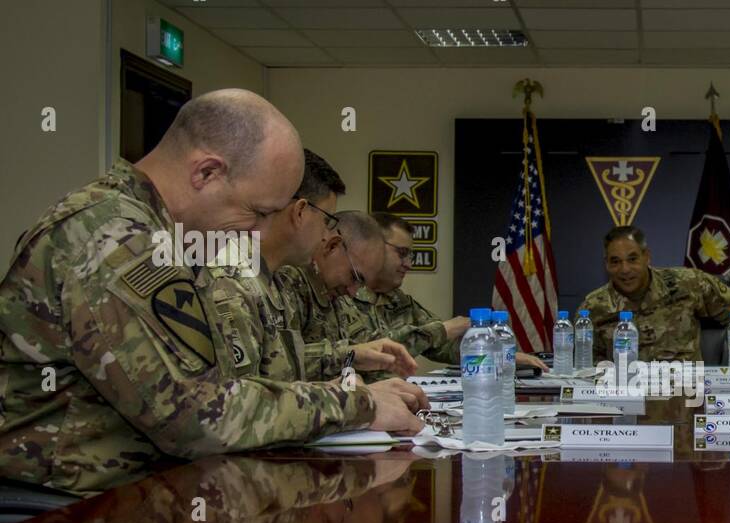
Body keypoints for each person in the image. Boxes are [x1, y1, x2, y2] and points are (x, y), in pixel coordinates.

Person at [0, 89, 423, 495]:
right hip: (68, 518)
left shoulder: (164, 236)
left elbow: (223, 383)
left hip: (139, 497)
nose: (257, 233)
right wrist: (356, 404)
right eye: (257, 213)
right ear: (206, 173)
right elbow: (194, 416)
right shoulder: (114, 237)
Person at [203, 150, 422, 389]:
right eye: (326, 221)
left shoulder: (274, 284)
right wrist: (352, 401)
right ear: (299, 212)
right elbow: (243, 409)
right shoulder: (232, 282)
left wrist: (350, 361)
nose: (326, 235)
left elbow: (283, 376)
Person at [345, 213, 546, 371]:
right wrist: (445, 328)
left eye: (410, 255)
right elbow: (367, 350)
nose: (408, 264)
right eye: (402, 253)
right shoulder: (344, 294)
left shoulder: (398, 300)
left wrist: (500, 355)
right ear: (374, 247)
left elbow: (442, 346)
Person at [274, 210, 419, 381]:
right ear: (332, 246)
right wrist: (350, 357)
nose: (353, 291)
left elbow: (350, 363)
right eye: (355, 277)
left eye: (361, 284)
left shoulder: (338, 298)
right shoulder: (288, 284)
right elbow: (280, 367)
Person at [577, 225, 730, 363]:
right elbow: (587, 369)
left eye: (632, 259)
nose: (625, 269)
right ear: (606, 264)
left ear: (647, 257)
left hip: (685, 395)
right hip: (626, 396)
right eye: (615, 261)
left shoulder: (689, 284)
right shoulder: (593, 308)